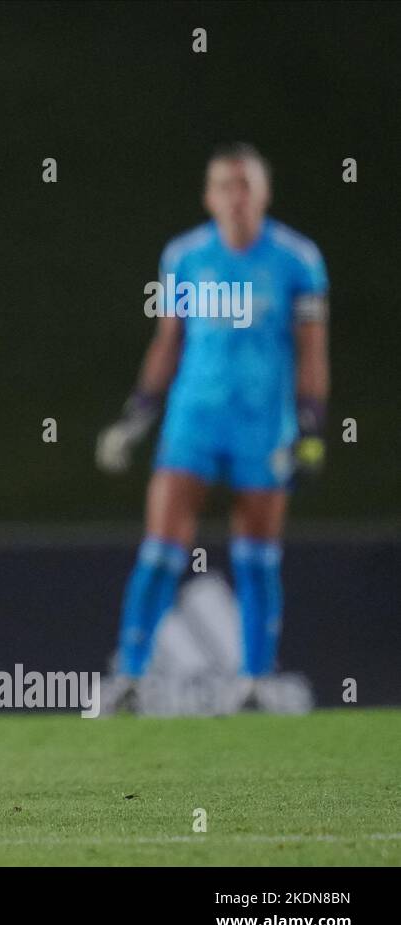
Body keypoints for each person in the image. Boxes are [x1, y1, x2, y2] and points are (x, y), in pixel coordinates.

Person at [97, 143, 329, 714]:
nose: (236, 196)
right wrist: (137, 416)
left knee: (258, 555)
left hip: (262, 426)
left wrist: (312, 427)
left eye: (246, 184)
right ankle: (129, 676)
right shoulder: (185, 256)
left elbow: (313, 352)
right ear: (209, 196)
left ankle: (253, 681)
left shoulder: (297, 259)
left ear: (264, 193)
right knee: (160, 550)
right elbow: (167, 340)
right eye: (225, 185)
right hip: (193, 420)